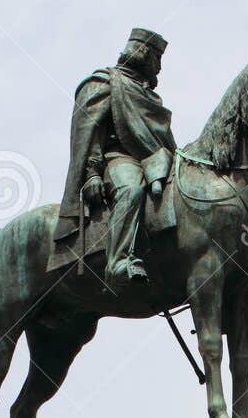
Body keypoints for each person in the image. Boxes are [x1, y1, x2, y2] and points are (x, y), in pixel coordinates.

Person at [54, 27, 176, 282]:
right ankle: (118, 261)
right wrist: (91, 174)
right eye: (156, 59)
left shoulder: (148, 95)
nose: (159, 68)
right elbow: (86, 132)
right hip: (117, 159)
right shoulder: (104, 83)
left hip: (156, 162)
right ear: (143, 55)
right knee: (131, 190)